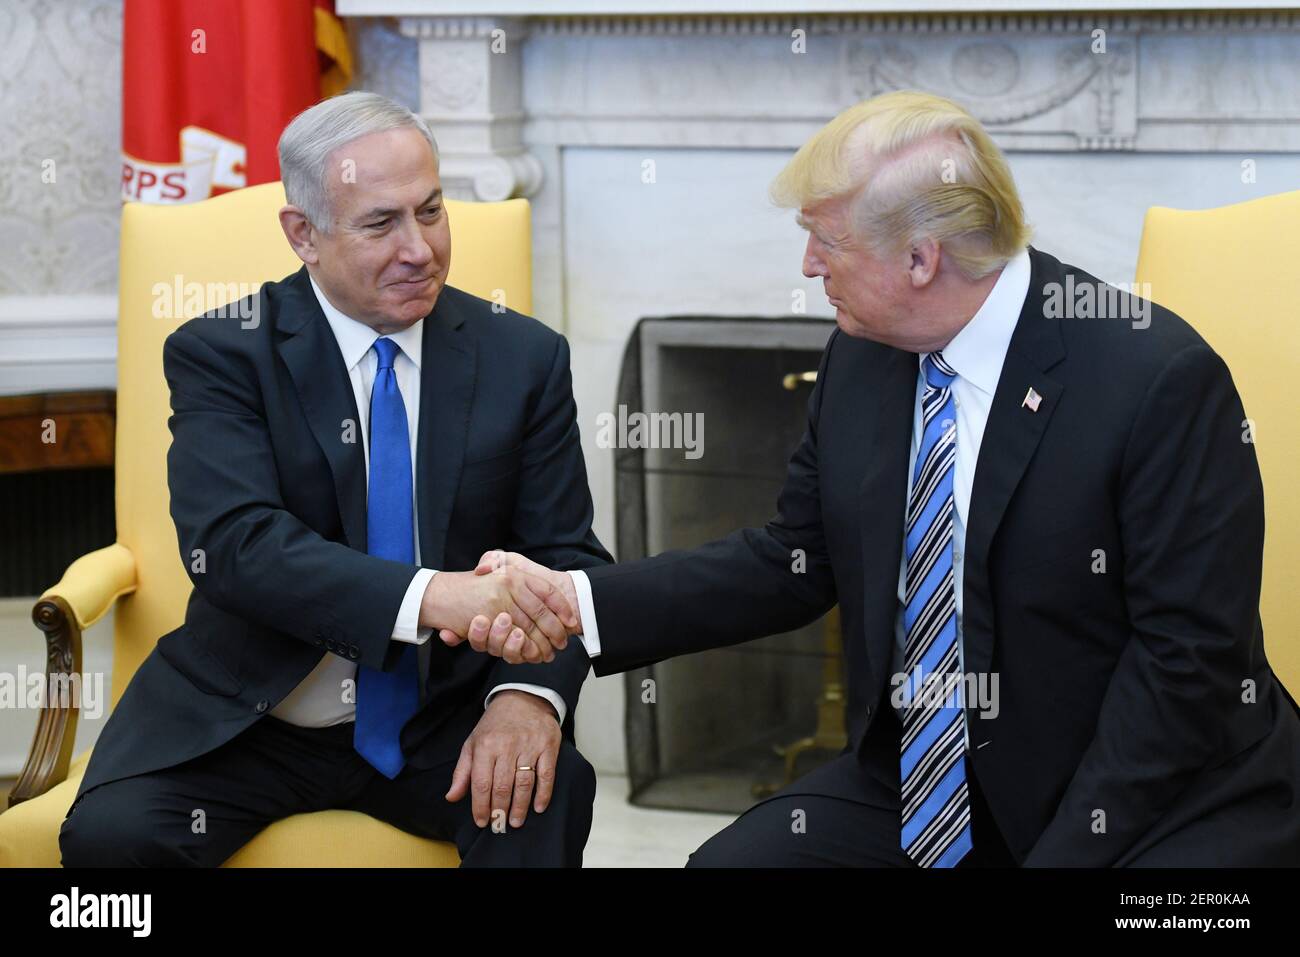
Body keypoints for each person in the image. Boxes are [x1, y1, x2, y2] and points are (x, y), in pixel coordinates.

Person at [449, 91, 1300, 867]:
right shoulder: (865, 356)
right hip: (928, 781)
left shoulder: (1155, 379)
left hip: (1149, 798)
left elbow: (1186, 668)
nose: (811, 265)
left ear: (922, 259)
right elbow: (790, 558)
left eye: (828, 239)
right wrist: (574, 603)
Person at [60, 91, 609, 867]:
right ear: (302, 234)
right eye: (381, 223)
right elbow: (238, 545)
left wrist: (526, 698)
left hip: (441, 717)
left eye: (431, 211)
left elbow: (568, 558)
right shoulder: (223, 354)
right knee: (111, 840)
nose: (420, 248)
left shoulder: (524, 358)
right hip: (251, 720)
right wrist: (434, 595)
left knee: (542, 796)